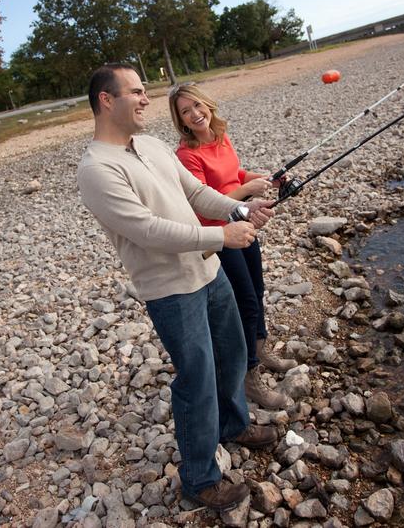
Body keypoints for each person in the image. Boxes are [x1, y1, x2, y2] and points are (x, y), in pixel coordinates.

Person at [76, 63, 279, 513]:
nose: (146, 99)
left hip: (210, 274)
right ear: (107, 101)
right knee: (197, 381)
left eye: (144, 90)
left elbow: (195, 194)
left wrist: (239, 212)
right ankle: (200, 479)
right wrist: (220, 238)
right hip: (171, 290)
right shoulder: (95, 169)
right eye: (136, 91)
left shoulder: (149, 145)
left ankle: (232, 424)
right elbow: (148, 230)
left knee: (230, 358)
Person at [168, 84, 297, 411]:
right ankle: (250, 376)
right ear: (180, 120)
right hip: (220, 234)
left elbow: (235, 174)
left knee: (257, 288)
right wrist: (246, 190)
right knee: (245, 301)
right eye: (186, 111)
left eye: (197, 105)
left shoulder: (220, 135)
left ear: (208, 105)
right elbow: (202, 204)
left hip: (242, 222)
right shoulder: (186, 154)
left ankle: (261, 348)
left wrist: (268, 180)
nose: (196, 114)